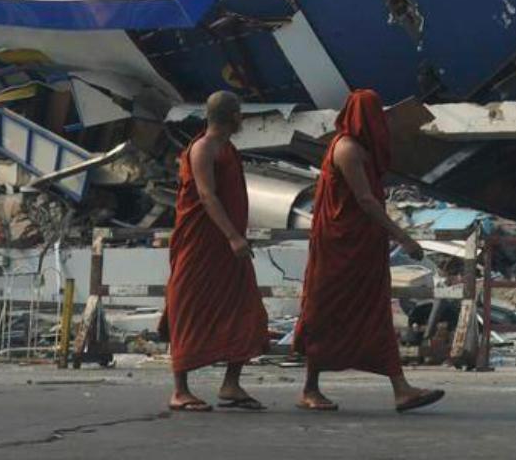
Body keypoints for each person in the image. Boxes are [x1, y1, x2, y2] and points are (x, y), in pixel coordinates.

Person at [293, 89, 444, 414]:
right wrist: (404, 238)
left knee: (374, 315)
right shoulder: (347, 148)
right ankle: (309, 388)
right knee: (326, 313)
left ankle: (401, 389)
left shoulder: (362, 150)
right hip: (339, 249)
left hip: (362, 248)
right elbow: (364, 200)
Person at [163, 90, 270, 412]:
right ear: (232, 117)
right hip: (203, 243)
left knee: (246, 308)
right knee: (188, 308)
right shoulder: (202, 149)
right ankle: (180, 389)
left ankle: (231, 383)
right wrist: (233, 237)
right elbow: (207, 196)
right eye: (239, 114)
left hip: (227, 245)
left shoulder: (227, 148)